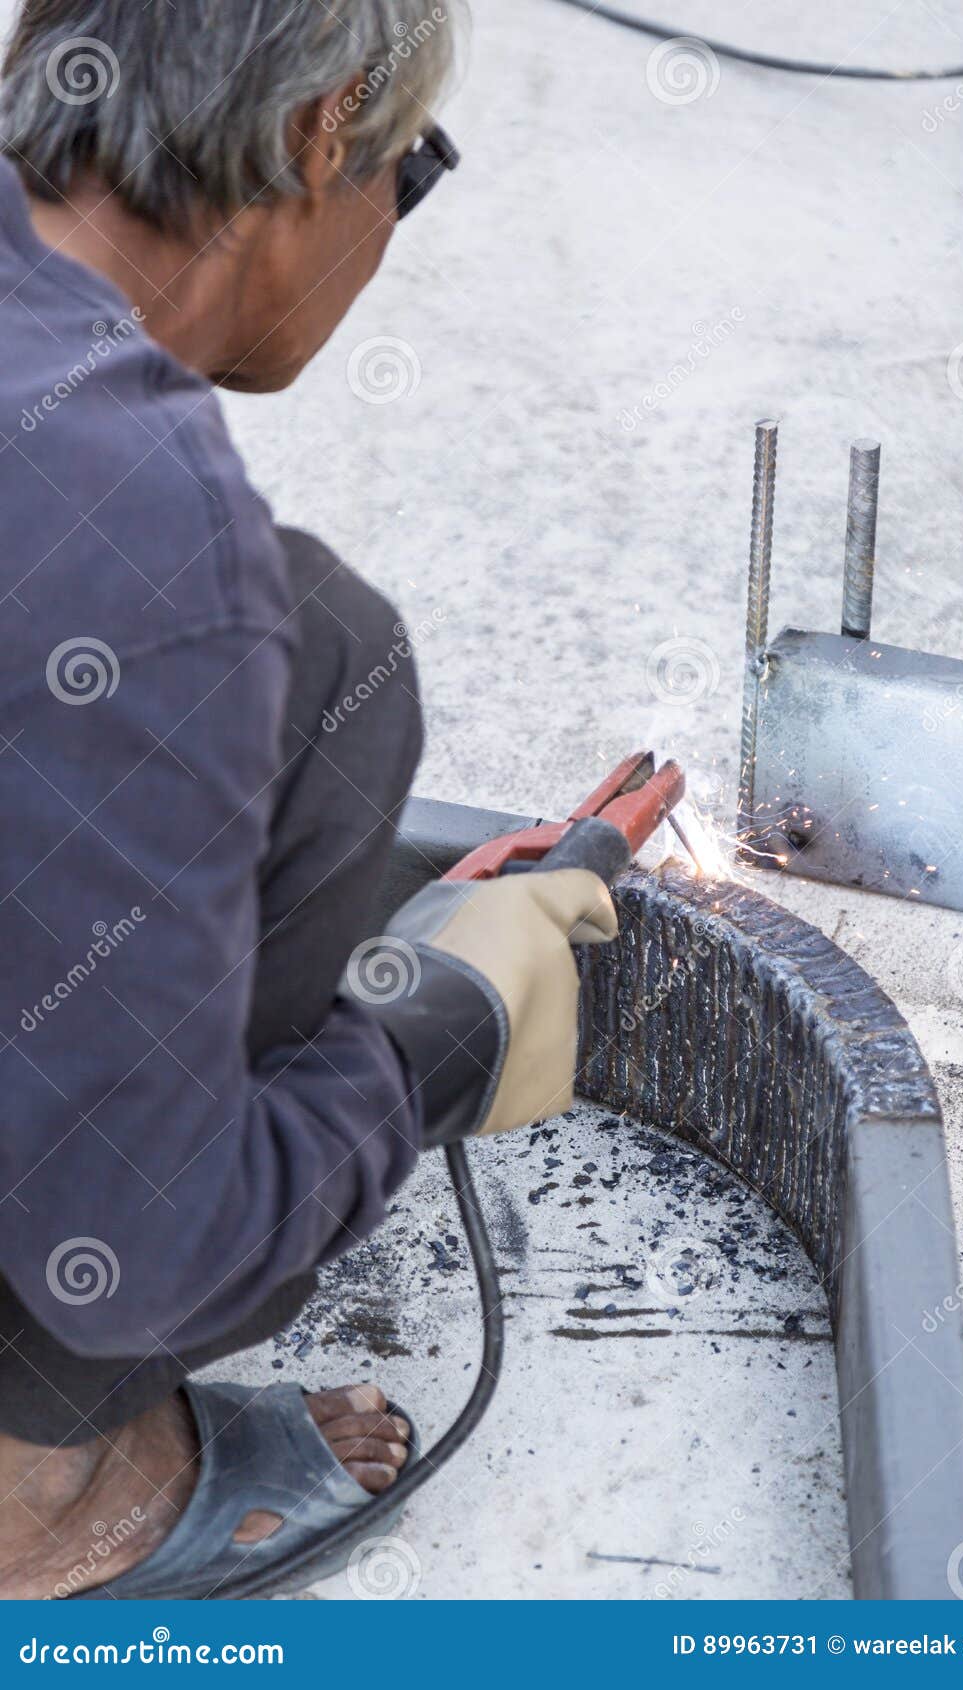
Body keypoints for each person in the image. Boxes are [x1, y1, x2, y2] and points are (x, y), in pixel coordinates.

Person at [0, 0, 617, 1599]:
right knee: (329, 671)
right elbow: (139, 1255)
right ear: (322, 131)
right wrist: (432, 1026)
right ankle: (35, 1496)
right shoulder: (144, 531)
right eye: (408, 170)